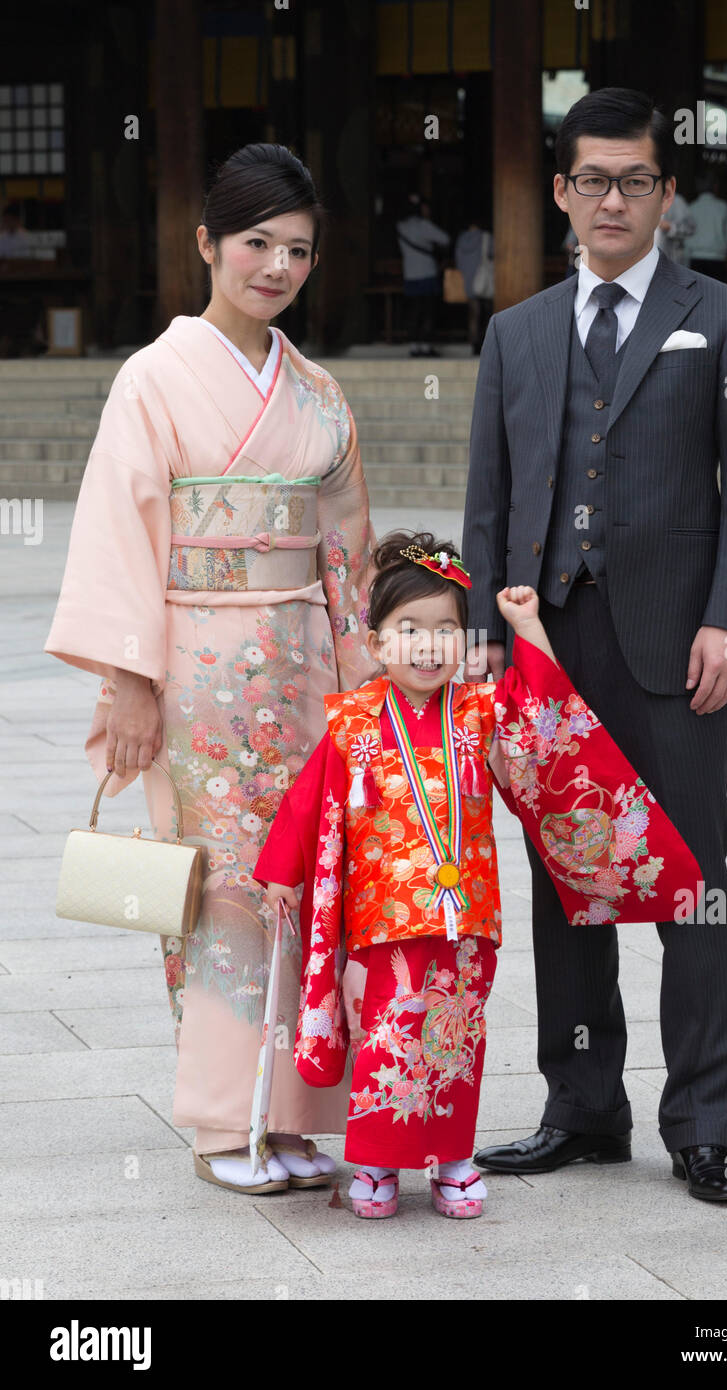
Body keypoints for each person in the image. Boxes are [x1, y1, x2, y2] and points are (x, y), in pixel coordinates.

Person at [461, 87, 727, 1202]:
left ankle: (701, 1122)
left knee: (689, 883)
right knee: (568, 882)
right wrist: (481, 644)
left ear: (666, 195)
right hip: (549, 646)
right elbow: (487, 499)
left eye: (634, 180)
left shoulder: (725, 318)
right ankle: (583, 1107)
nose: (612, 198)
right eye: (592, 179)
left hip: (675, 645)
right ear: (559, 192)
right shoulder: (514, 333)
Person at [44, 143, 380, 1195]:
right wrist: (129, 682)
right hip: (197, 680)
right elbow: (117, 532)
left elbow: (346, 555)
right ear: (206, 245)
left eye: (296, 250)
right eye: (255, 244)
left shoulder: (318, 393)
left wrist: (368, 686)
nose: (275, 267)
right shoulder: (153, 378)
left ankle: (295, 1114)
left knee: (309, 889)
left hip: (308, 672)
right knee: (222, 890)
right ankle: (221, 1124)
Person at [252, 531, 703, 1219]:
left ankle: (451, 1159)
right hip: (386, 916)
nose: (428, 645)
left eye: (444, 630)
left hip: (466, 915)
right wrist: (281, 870)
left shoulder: (478, 713)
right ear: (377, 643)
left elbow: (547, 716)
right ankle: (376, 1162)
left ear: (464, 643)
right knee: (388, 1036)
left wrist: (527, 627)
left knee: (457, 1038)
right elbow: (308, 803)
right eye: (409, 629)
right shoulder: (355, 725)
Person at [396, 195, 450, 357]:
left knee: (413, 311)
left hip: (410, 274)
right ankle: (426, 346)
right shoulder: (424, 225)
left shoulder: (400, 226)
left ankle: (414, 345)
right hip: (427, 272)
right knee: (427, 311)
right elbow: (445, 239)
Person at [683, 171, 727, 281]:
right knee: (717, 296)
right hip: (718, 261)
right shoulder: (724, 208)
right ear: (715, 187)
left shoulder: (690, 208)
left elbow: (685, 237)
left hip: (695, 260)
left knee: (696, 296)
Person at [454, 215, 494, 354]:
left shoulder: (461, 240)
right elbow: (494, 253)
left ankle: (474, 343)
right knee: (488, 312)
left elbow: (458, 261)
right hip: (484, 279)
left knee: (473, 313)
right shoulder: (486, 237)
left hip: (469, 279)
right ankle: (487, 343)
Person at [654, 189, 695, 264]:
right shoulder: (638, 199)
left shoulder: (676, 200)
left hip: (669, 262)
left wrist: (671, 227)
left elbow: (690, 227)